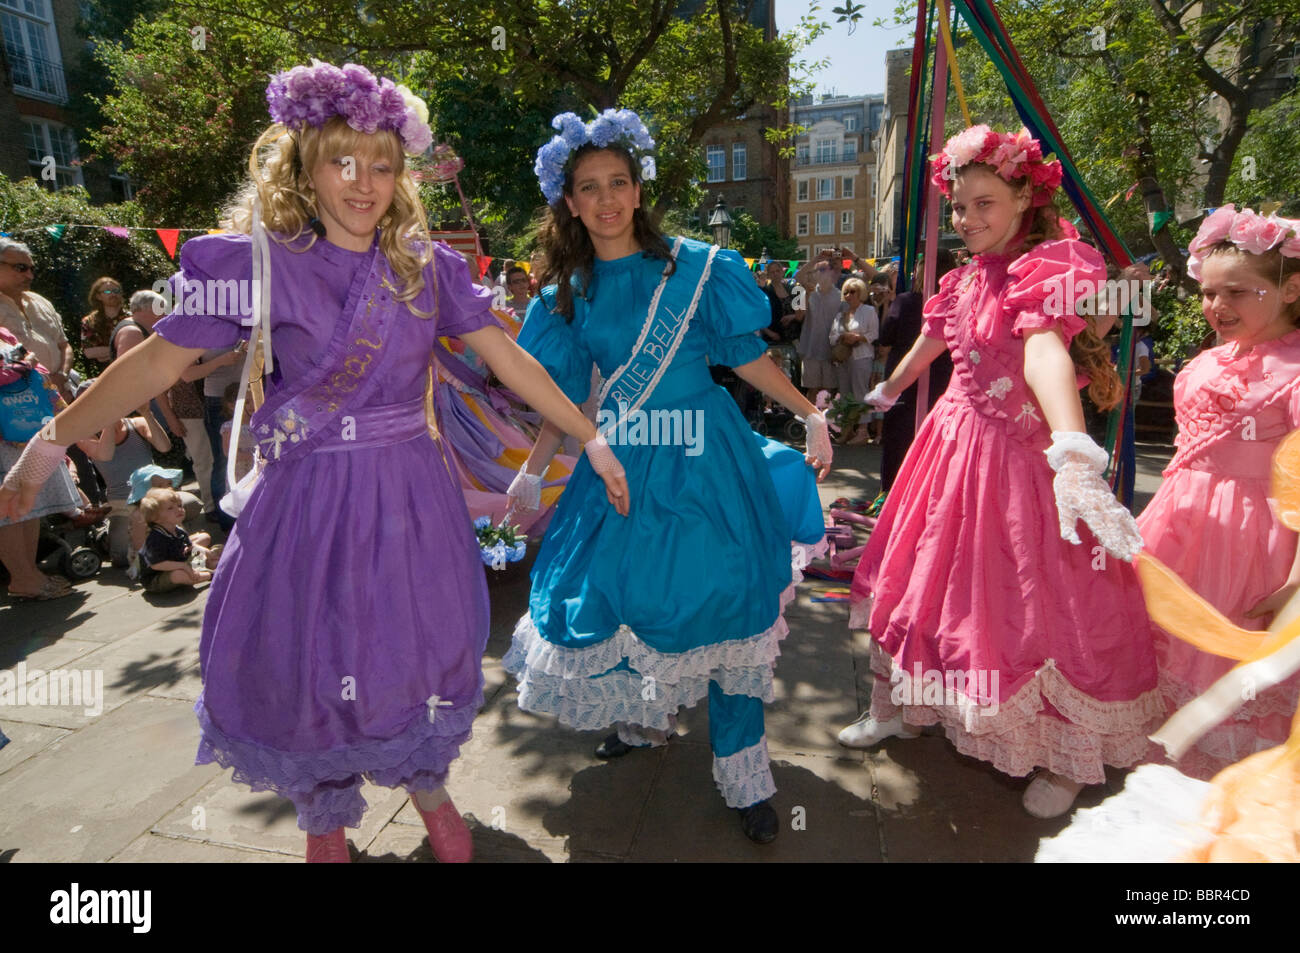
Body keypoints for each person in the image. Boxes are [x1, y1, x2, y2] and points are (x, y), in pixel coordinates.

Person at [0, 61, 626, 864]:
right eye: (342, 161)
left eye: (383, 164)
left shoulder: (427, 269)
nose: (364, 183)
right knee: (313, 652)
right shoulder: (259, 265)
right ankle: (323, 817)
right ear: (305, 166)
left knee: (414, 644)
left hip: (409, 492)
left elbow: (511, 362)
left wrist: (592, 436)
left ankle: (425, 784)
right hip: (310, 496)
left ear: (403, 175)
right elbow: (157, 362)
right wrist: (51, 438)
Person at [504, 108, 831, 845]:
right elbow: (564, 396)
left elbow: (744, 356)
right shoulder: (568, 290)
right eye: (589, 187)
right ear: (570, 200)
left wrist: (808, 411)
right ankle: (648, 718)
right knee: (631, 601)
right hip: (621, 462)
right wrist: (532, 469)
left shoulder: (697, 266)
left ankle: (744, 770)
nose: (608, 199)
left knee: (728, 604)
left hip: (708, 457)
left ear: (638, 188)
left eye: (618, 181)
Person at [836, 125, 1162, 819]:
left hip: (1018, 462)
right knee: (916, 584)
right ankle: (899, 705)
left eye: (984, 203)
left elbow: (1044, 352)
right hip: (947, 449)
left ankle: (1063, 754)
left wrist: (1073, 449)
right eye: (958, 207)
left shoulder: (1042, 270)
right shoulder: (962, 278)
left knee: (1033, 605)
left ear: (1023, 198)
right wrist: (889, 390)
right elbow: (934, 340)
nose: (967, 219)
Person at [1134, 204, 1300, 780]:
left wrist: (1297, 578)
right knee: (1159, 641)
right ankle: (1152, 760)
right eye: (1208, 293)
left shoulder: (1297, 369)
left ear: (1291, 287)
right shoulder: (1205, 363)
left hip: (1253, 539)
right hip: (1178, 522)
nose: (1217, 307)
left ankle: (1211, 778)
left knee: (1219, 650)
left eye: (1238, 292)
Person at [0, 324, 77, 601]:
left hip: (24, 431)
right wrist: (21, 367)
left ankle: (28, 572)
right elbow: (22, 368)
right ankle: (22, 577)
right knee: (6, 511)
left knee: (29, 506)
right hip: (3, 435)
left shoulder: (4, 333)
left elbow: (38, 373)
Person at [76, 405, 172, 567]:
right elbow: (105, 455)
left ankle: (154, 535)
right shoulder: (85, 436)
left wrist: (147, 413)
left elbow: (164, 447)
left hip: (152, 497)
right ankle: (108, 534)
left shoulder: (137, 424)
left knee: (191, 504)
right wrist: (109, 421)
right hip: (122, 503)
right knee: (120, 556)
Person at [0, 238, 75, 401]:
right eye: (21, 268)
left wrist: (61, 377)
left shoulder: (40, 301)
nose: (29, 275)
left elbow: (65, 346)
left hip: (62, 392)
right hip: (17, 401)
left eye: (32, 269)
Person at [136, 487, 219, 594]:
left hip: (178, 561)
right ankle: (212, 575)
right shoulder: (155, 538)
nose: (178, 509)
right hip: (157, 576)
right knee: (178, 575)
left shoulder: (177, 530)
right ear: (155, 517)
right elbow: (156, 565)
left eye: (179, 505)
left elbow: (191, 547)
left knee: (204, 551)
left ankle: (205, 567)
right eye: (170, 508)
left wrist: (207, 552)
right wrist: (183, 566)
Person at [829, 277, 878, 446]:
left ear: (861, 293)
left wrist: (859, 337)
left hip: (862, 356)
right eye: (846, 292)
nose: (849, 295)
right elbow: (832, 336)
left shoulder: (869, 311)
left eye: (853, 292)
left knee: (860, 393)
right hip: (844, 359)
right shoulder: (840, 315)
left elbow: (874, 334)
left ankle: (863, 431)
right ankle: (847, 430)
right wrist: (843, 337)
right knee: (845, 395)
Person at [81, 276, 125, 372]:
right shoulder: (89, 321)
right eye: (107, 291)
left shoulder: (131, 318)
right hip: (103, 373)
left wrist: (104, 352)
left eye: (116, 291)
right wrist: (119, 350)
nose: (113, 294)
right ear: (98, 296)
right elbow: (89, 352)